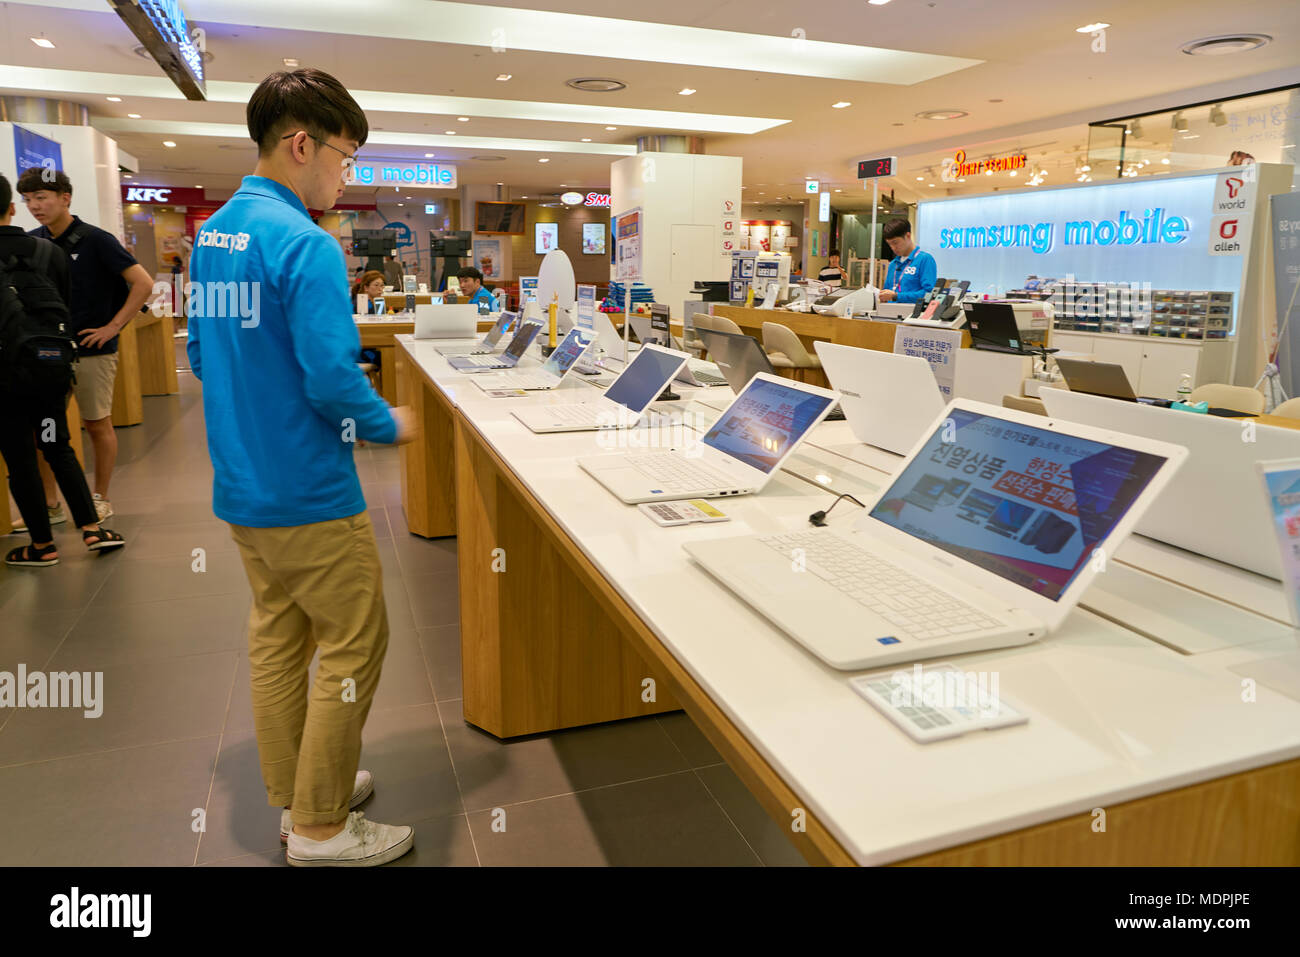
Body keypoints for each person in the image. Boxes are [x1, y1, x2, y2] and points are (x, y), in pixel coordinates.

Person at [188, 67, 416, 867]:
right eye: (345, 157)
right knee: (356, 642)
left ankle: (300, 791)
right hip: (310, 491)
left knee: (279, 636)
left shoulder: (215, 235)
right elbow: (331, 380)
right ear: (299, 144)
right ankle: (320, 825)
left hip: (243, 486)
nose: (346, 176)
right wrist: (390, 423)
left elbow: (201, 357)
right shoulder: (306, 246)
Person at [0, 173, 126, 565]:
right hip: (50, 371)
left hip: (6, 381)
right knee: (56, 445)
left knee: (21, 459)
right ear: (10, 207)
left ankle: (43, 546)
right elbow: (63, 304)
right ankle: (91, 529)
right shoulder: (45, 251)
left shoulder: (92, 239)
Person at [18, 167, 154, 522]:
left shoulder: (96, 240)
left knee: (97, 424)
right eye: (28, 199)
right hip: (48, 353)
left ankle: (100, 497)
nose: (35, 206)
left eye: (41, 198)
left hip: (92, 350)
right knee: (45, 428)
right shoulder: (33, 243)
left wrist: (112, 327)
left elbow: (142, 283)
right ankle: (51, 504)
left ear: (65, 198)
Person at [878, 218, 937, 304]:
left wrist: (896, 296)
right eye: (889, 244)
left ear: (908, 236)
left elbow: (929, 294)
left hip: (912, 314)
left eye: (895, 242)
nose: (893, 248)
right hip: (889, 313)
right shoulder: (893, 264)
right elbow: (887, 290)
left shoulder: (925, 260)